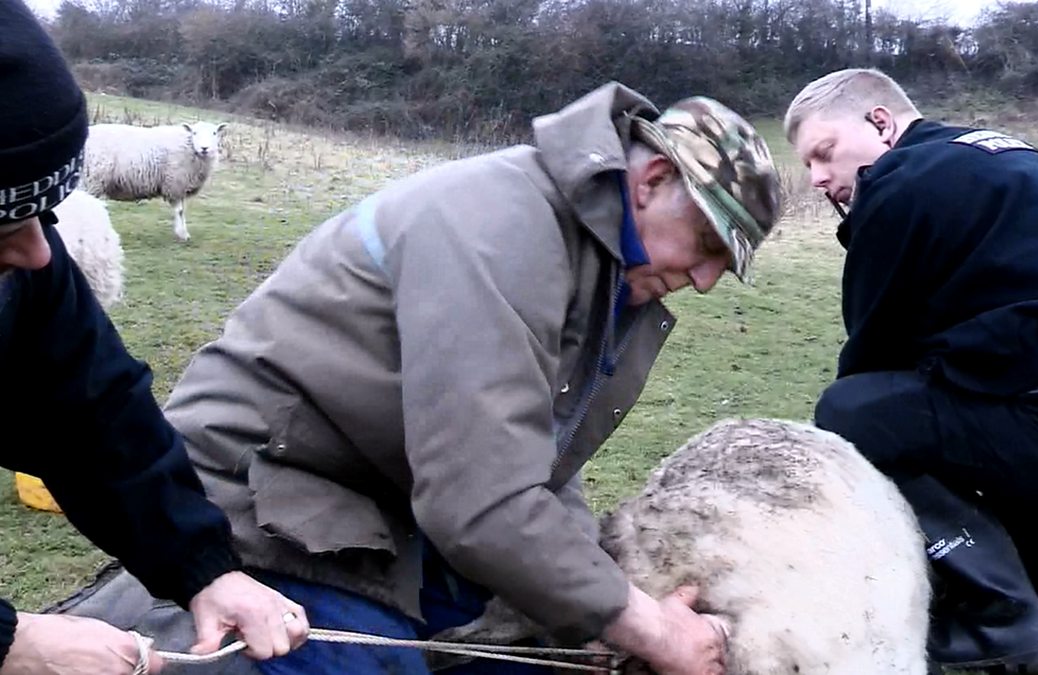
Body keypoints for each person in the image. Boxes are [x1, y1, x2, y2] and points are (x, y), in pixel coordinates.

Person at [52, 82, 783, 674]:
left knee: (540, 651)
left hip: (383, 505)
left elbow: (538, 462)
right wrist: (649, 625)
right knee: (360, 662)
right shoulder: (503, 229)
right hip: (263, 494)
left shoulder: (604, 272)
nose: (708, 281)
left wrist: (596, 596)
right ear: (652, 178)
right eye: (710, 244)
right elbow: (483, 503)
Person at [785, 67, 1038, 673]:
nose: (819, 178)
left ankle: (1002, 626)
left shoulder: (901, 181)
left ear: (880, 122)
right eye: (806, 166)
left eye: (824, 154)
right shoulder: (999, 158)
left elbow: (869, 371)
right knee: (995, 576)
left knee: (848, 412)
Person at [0, 2, 312, 673]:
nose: (39, 254)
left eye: (42, 216)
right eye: (2, 228)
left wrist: (203, 565)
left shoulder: (24, 271)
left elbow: (94, 410)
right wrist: (9, 639)